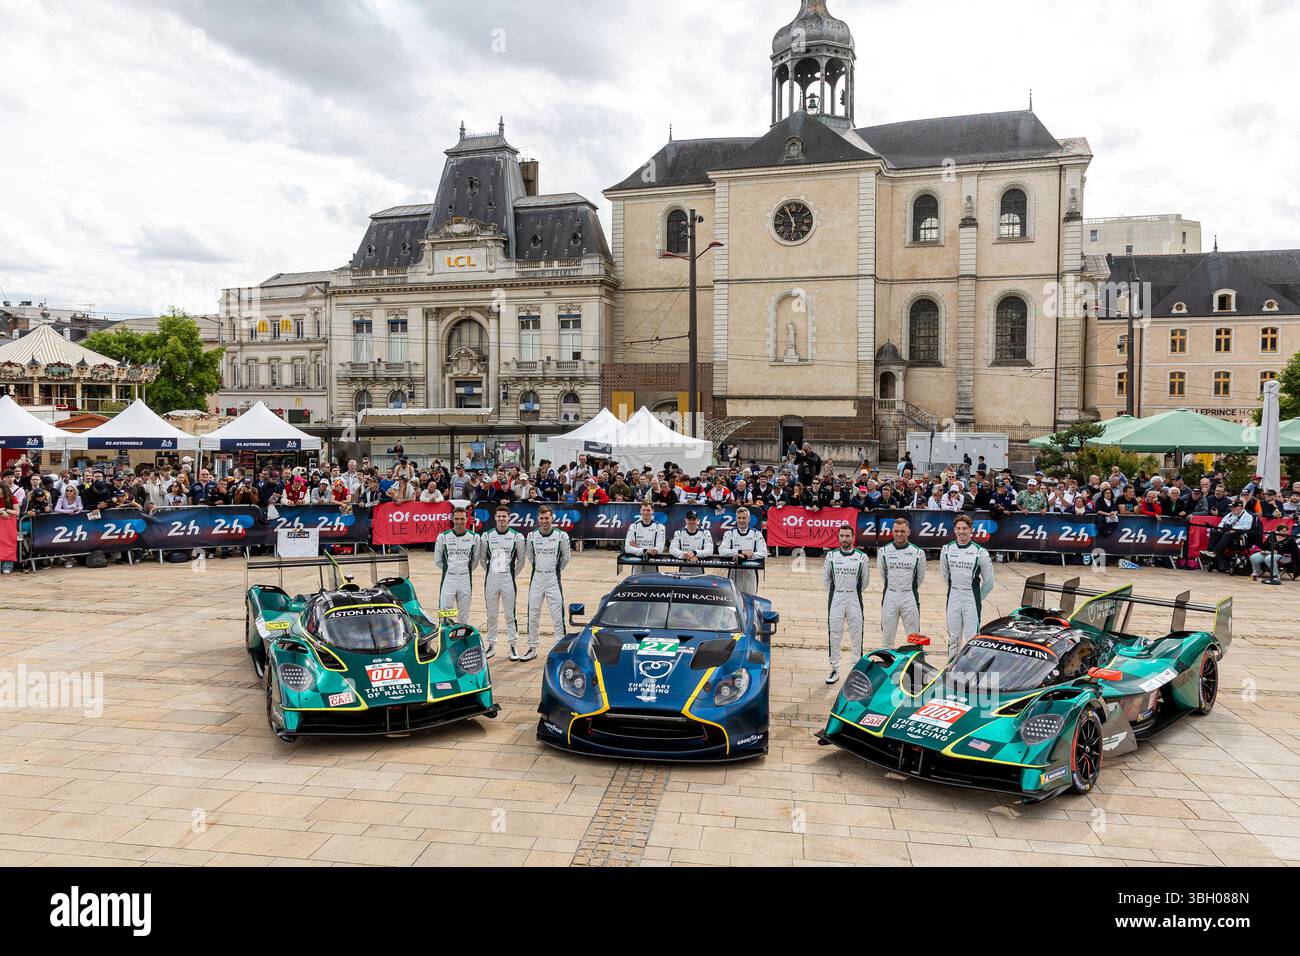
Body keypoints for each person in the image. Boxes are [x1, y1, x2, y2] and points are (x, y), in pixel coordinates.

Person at [938, 512, 995, 659]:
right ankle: (951, 668)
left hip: (971, 597)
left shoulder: (980, 552)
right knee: (953, 637)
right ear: (954, 530)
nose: (961, 531)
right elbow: (944, 575)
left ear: (971, 530)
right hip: (953, 596)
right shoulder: (947, 549)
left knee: (972, 638)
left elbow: (989, 582)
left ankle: (971, 670)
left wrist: (977, 598)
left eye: (964, 528)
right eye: (958, 528)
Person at [524, 504, 572, 662]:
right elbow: (530, 557)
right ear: (538, 519)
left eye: (547, 518)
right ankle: (532, 647)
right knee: (533, 613)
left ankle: (560, 647)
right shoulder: (531, 536)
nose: (544, 521)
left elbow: (566, 558)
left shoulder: (561, 536)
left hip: (553, 578)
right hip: (537, 578)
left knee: (557, 614)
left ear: (552, 518)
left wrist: (556, 571)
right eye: (542, 518)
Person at [477, 504, 525, 660]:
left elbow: (521, 561)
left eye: (504, 516)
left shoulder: (517, 536)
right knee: (492, 614)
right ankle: (491, 644)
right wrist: (493, 572)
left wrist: (510, 574)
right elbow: (483, 560)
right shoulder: (487, 536)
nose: (502, 519)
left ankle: (513, 645)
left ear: (509, 518)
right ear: (495, 517)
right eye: (499, 516)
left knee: (510, 614)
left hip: (508, 579)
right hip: (491, 579)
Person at [823, 524, 869, 684]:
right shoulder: (831, 556)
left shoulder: (862, 557)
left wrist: (851, 592)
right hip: (836, 598)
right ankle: (834, 669)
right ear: (838, 537)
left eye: (847, 536)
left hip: (854, 598)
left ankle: (856, 670)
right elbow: (827, 579)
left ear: (853, 537)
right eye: (842, 535)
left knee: (856, 633)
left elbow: (865, 582)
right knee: (834, 633)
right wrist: (838, 592)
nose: (844, 539)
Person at [877, 517, 926, 647]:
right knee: (887, 636)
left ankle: (914, 667)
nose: (899, 534)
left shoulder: (918, 553)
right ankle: (887, 665)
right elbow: (883, 575)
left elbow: (920, 578)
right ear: (892, 531)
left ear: (908, 532)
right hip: (890, 595)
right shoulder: (883, 552)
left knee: (914, 636)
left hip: (909, 595)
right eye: (896, 531)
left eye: (902, 531)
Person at [433, 506, 479, 624]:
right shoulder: (443, 537)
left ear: (467, 519)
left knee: (463, 615)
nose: (459, 522)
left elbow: (475, 561)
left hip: (465, 580)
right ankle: (444, 640)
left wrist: (463, 570)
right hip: (449, 579)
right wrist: (451, 570)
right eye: (457, 518)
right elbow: (438, 561)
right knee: (445, 615)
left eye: (462, 519)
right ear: (452, 519)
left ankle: (462, 640)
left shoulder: (474, 538)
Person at [718, 504, 768, 594]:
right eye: (739, 518)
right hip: (734, 570)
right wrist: (739, 552)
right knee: (733, 599)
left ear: (749, 519)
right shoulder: (729, 533)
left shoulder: (756, 534)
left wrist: (750, 555)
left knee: (750, 598)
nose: (741, 520)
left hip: (750, 571)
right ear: (736, 519)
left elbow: (764, 553)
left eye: (744, 518)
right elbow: (722, 551)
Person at [623, 500, 666, 575]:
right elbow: (627, 548)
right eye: (644, 510)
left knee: (651, 586)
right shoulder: (634, 526)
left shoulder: (659, 527)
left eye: (648, 510)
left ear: (652, 511)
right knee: (636, 586)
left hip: (652, 565)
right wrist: (645, 550)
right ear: (640, 511)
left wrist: (637, 548)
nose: (646, 512)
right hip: (637, 565)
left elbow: (660, 549)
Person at [669, 509, 714, 575]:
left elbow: (710, 551)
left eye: (693, 519)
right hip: (683, 566)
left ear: (698, 521)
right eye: (689, 519)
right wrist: (686, 555)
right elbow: (672, 549)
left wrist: (695, 553)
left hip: (699, 566)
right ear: (685, 520)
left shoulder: (705, 533)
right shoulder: (679, 533)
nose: (691, 521)